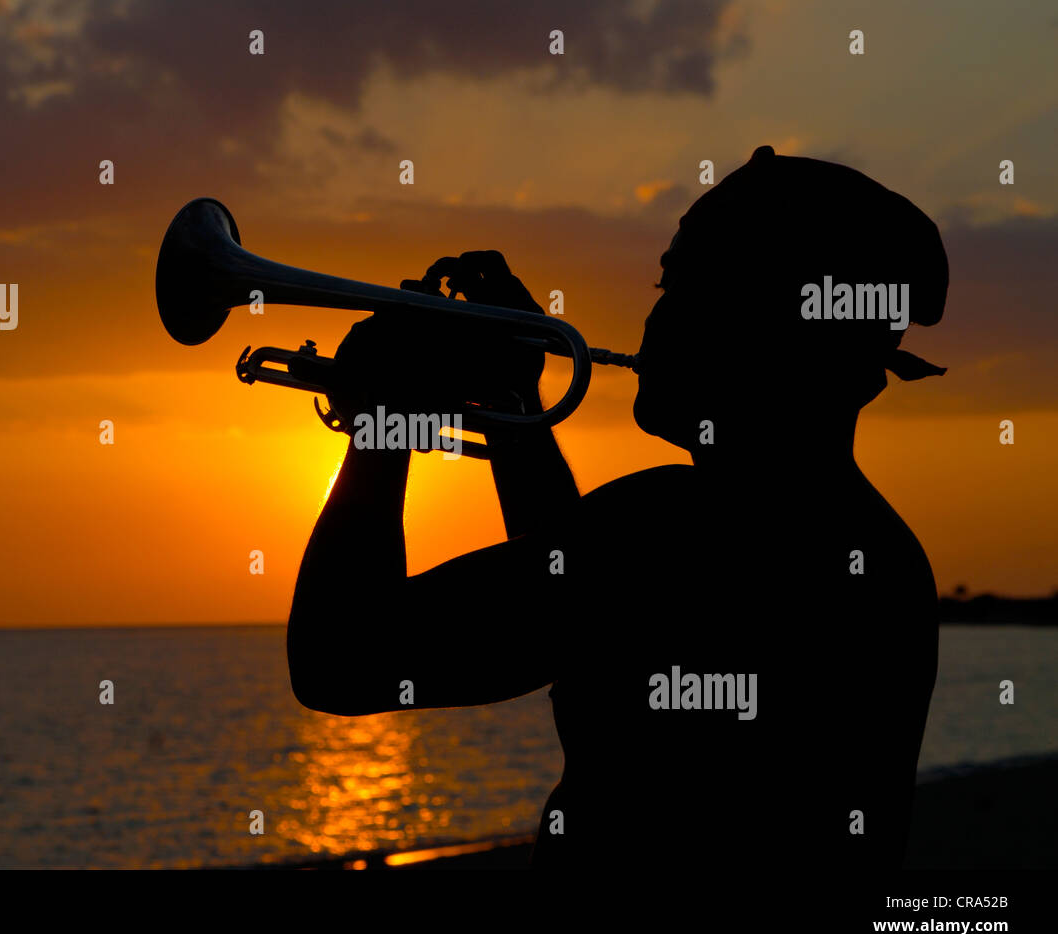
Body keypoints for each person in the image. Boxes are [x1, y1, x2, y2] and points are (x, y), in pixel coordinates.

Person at [286, 146, 947, 871]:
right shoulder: (876, 549)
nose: (655, 320)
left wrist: (385, 422)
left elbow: (340, 660)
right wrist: (514, 405)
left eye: (686, 288)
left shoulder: (673, 525)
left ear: (766, 331)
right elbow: (589, 611)